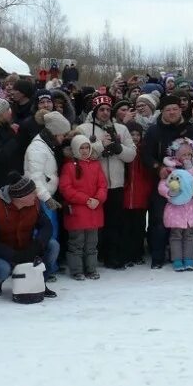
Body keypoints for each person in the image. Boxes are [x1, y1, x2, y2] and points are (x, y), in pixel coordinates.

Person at [141, 95, 193, 269]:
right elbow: (146, 155)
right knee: (159, 220)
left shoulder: (191, 129)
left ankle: (185, 255)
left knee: (188, 222)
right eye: (168, 109)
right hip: (164, 183)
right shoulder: (153, 131)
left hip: (188, 185)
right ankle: (158, 256)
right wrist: (158, 168)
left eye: (175, 109)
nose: (172, 112)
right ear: (162, 111)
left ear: (181, 110)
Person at [75, 94, 136, 270]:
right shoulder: (84, 129)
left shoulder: (121, 129)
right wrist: (101, 146)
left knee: (115, 222)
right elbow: (80, 153)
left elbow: (131, 155)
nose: (105, 112)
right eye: (101, 109)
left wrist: (118, 148)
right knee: (94, 223)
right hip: (93, 185)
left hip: (116, 184)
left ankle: (113, 256)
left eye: (108, 109)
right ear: (95, 111)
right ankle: (94, 256)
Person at [0, 172, 58, 299]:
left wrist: (37, 245)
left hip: (27, 248)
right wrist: (13, 255)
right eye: (33, 192)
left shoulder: (35, 203)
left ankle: (40, 283)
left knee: (53, 245)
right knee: (1, 269)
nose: (36, 195)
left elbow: (47, 226)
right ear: (21, 196)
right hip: (4, 253)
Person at [24, 110, 71, 278]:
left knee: (52, 234)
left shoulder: (47, 145)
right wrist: (47, 198)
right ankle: (42, 270)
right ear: (55, 132)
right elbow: (35, 178)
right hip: (40, 199)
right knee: (44, 236)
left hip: (47, 197)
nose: (63, 138)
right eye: (62, 134)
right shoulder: (37, 149)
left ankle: (51, 266)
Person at [59, 134, 108, 280]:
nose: (85, 151)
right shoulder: (68, 167)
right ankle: (77, 270)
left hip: (94, 210)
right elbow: (66, 188)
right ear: (75, 149)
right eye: (81, 148)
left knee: (92, 244)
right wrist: (86, 199)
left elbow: (102, 185)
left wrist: (98, 199)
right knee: (76, 243)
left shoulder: (95, 165)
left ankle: (91, 269)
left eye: (87, 147)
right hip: (78, 211)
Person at [158, 138, 193, 272]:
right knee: (176, 235)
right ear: (177, 155)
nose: (187, 157)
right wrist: (170, 192)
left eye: (189, 154)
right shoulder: (170, 170)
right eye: (184, 154)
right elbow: (162, 186)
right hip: (175, 209)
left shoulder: (192, 169)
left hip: (190, 208)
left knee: (190, 235)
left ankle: (189, 259)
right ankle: (177, 259)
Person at [121, 122, 154, 266]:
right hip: (126, 195)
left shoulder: (144, 152)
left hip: (141, 195)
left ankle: (138, 253)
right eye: (132, 134)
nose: (135, 137)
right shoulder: (124, 150)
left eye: (137, 134)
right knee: (126, 227)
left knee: (139, 227)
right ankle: (127, 254)